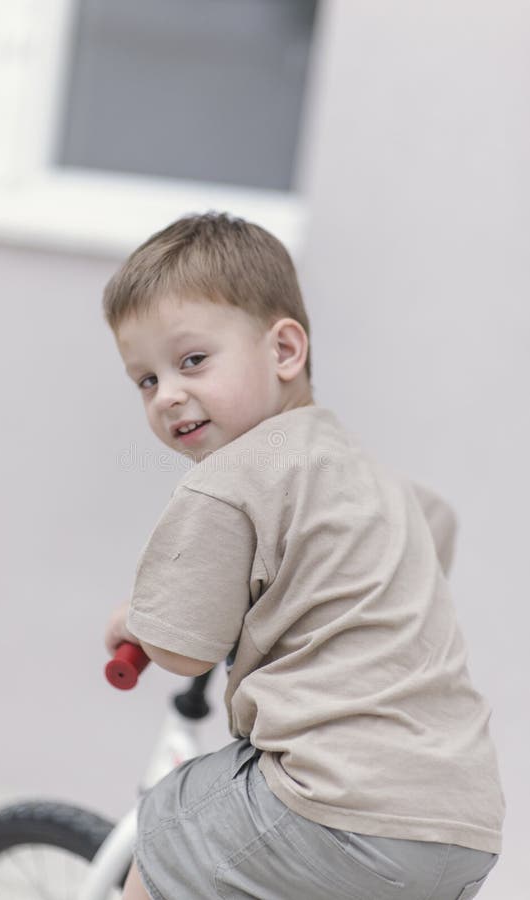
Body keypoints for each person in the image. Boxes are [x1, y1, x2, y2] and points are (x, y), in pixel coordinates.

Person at [103, 213, 504, 900]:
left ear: (284, 349)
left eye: (192, 360)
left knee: (169, 829)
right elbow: (436, 525)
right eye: (145, 379)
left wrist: (136, 622)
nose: (167, 393)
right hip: (460, 822)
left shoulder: (227, 480)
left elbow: (182, 649)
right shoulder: (363, 471)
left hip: (331, 805)